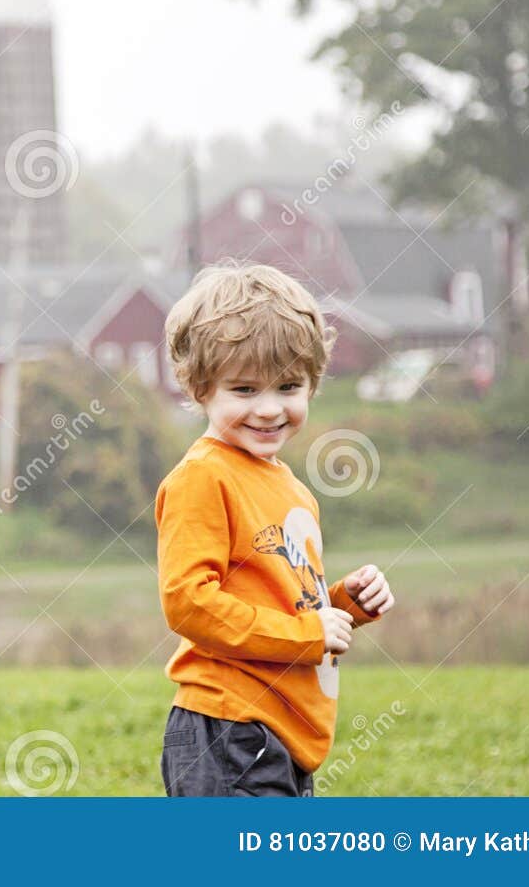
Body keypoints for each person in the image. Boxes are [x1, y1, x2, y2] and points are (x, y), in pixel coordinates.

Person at [155, 260, 395, 796]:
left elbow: (286, 601)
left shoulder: (292, 489)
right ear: (200, 389)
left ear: (313, 383)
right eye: (243, 390)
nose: (268, 409)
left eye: (288, 385)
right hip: (229, 731)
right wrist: (309, 635)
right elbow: (188, 602)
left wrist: (344, 606)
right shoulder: (203, 478)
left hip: (280, 733)